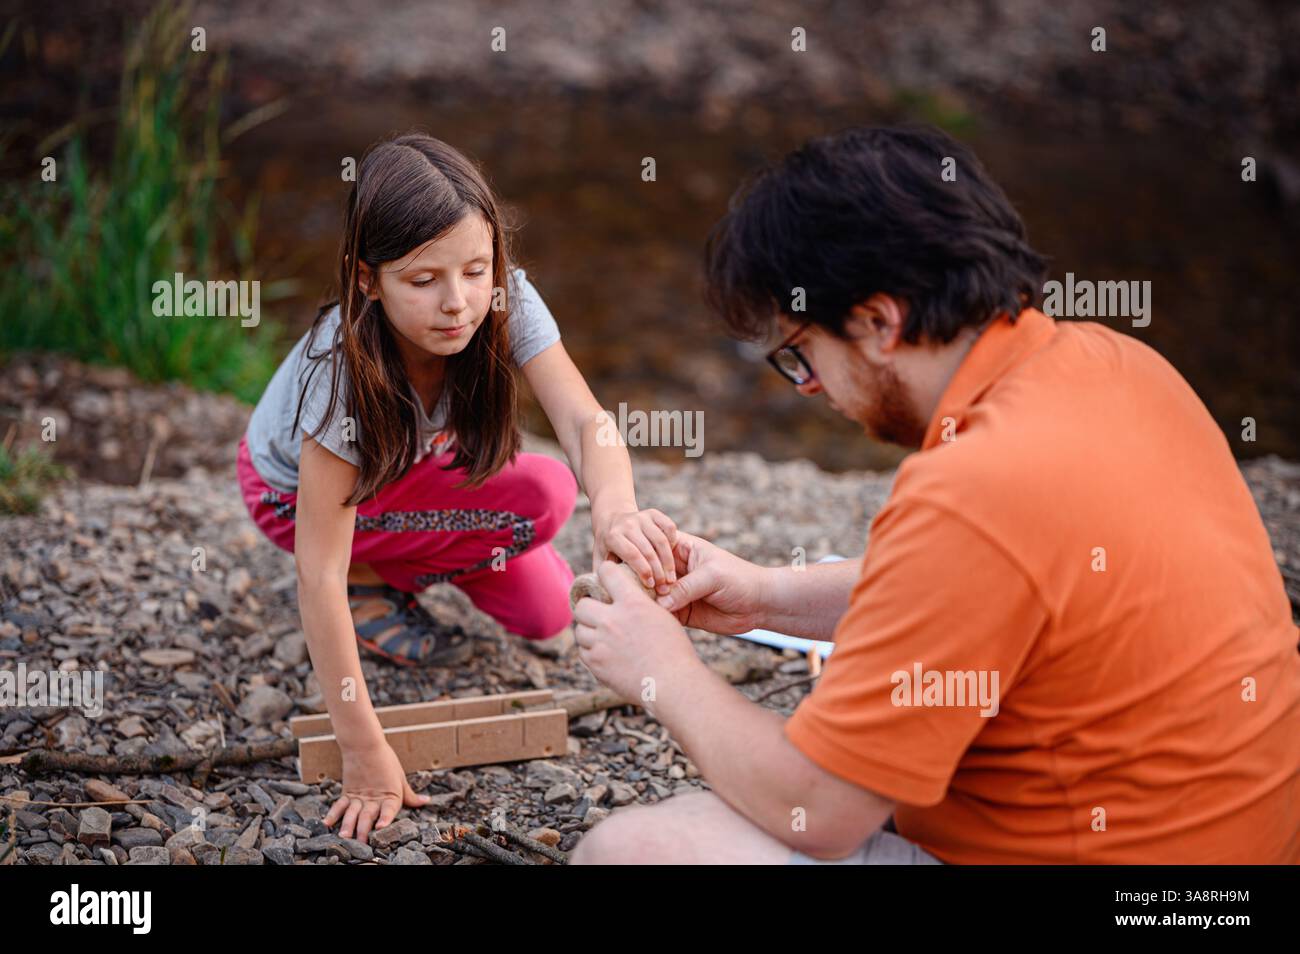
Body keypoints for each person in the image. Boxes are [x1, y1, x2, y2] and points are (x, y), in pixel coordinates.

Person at [570, 125, 1300, 864]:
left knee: (636, 848)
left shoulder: (971, 490)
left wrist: (661, 671)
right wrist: (763, 597)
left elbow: (815, 811)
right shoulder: (1123, 366)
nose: (812, 387)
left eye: (802, 353)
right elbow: (1003, 589)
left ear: (881, 322)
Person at [237, 133, 679, 845]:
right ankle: (371, 578)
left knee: (544, 610)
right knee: (544, 493)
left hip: (400, 479)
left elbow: (585, 420)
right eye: (423, 281)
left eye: (476, 270)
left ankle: (387, 571)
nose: (458, 304)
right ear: (364, 277)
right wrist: (362, 751)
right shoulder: (340, 372)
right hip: (291, 500)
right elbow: (315, 571)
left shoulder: (502, 299)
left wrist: (620, 511)